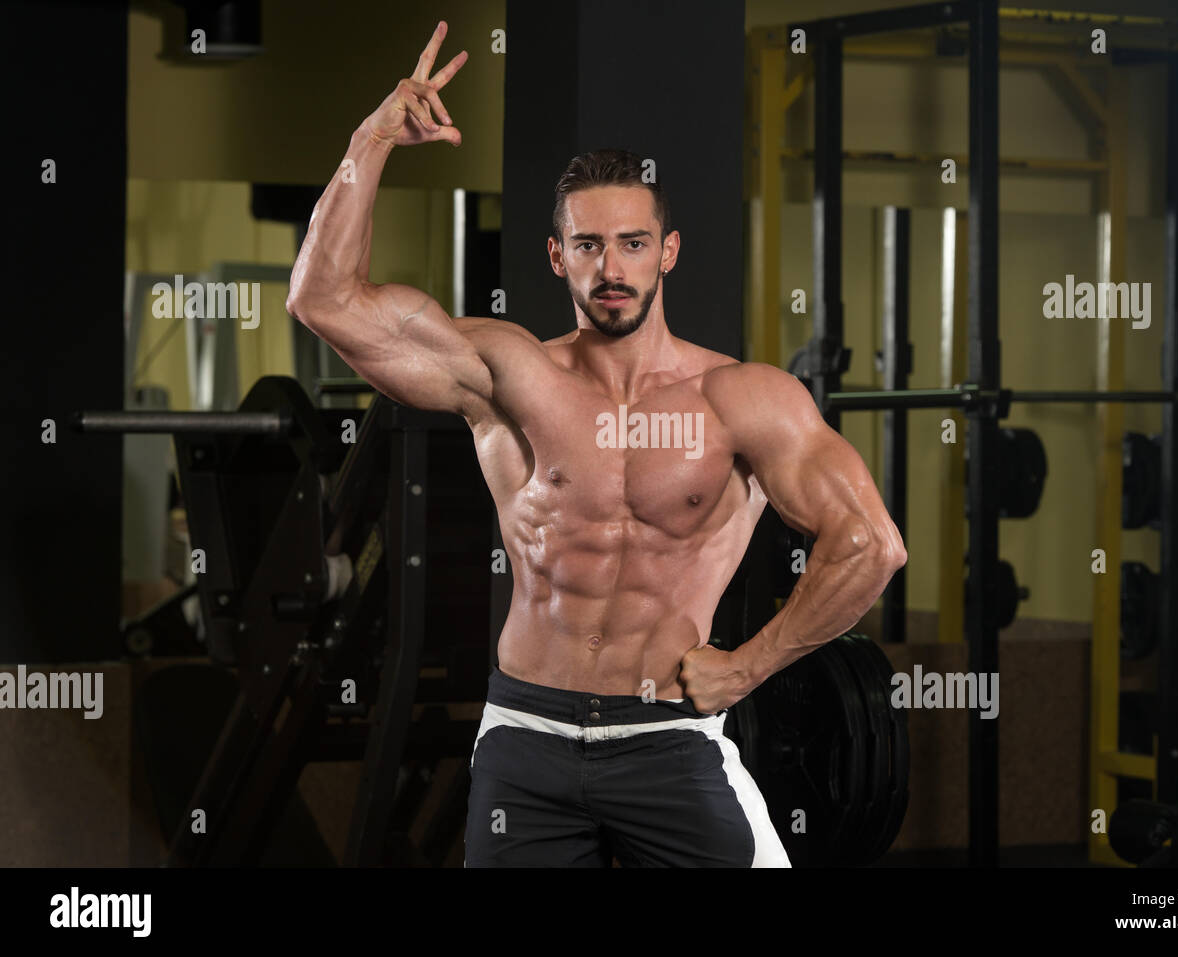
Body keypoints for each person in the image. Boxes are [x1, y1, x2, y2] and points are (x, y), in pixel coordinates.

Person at [286, 22, 906, 867]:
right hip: (526, 741)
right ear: (556, 256)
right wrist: (373, 138)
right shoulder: (505, 372)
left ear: (667, 253)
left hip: (670, 740)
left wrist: (751, 665)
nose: (611, 267)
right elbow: (322, 299)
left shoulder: (741, 399)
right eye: (587, 245)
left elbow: (871, 544)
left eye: (632, 243)